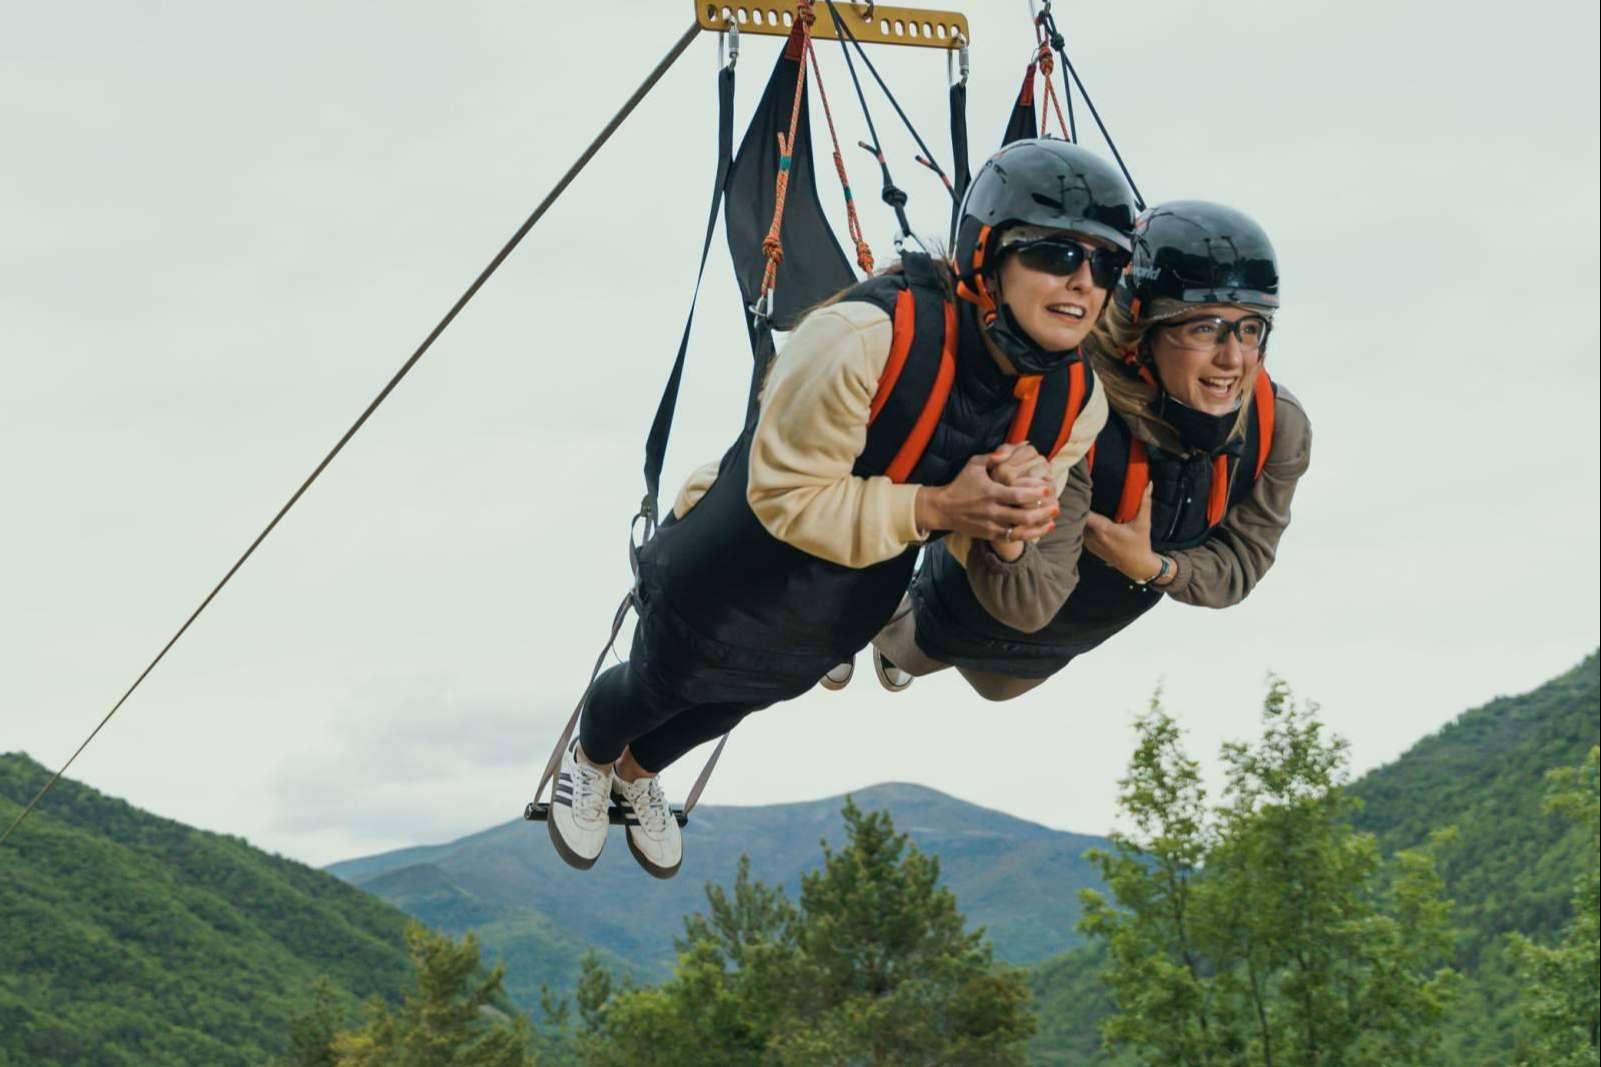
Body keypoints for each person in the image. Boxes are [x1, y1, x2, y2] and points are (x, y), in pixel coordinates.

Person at [547, 139, 1138, 878]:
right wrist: (939, 504)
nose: (1083, 281)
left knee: (745, 698)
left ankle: (635, 776)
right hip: (731, 571)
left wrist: (1010, 522)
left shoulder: (1073, 402)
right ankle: (593, 756)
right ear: (987, 254)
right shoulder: (861, 339)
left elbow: (987, 540)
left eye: (1106, 265)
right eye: (1055, 253)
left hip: (838, 609)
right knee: (665, 682)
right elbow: (784, 496)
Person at [866, 201, 1312, 700]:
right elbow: (1026, 599)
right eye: (1204, 329)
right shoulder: (1077, 407)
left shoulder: (1278, 426)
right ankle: (866, 621)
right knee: (922, 642)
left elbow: (1242, 565)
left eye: (1250, 329)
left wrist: (1151, 567)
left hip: (1077, 628)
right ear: (1142, 333)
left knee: (998, 688)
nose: (1232, 359)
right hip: (991, 596)